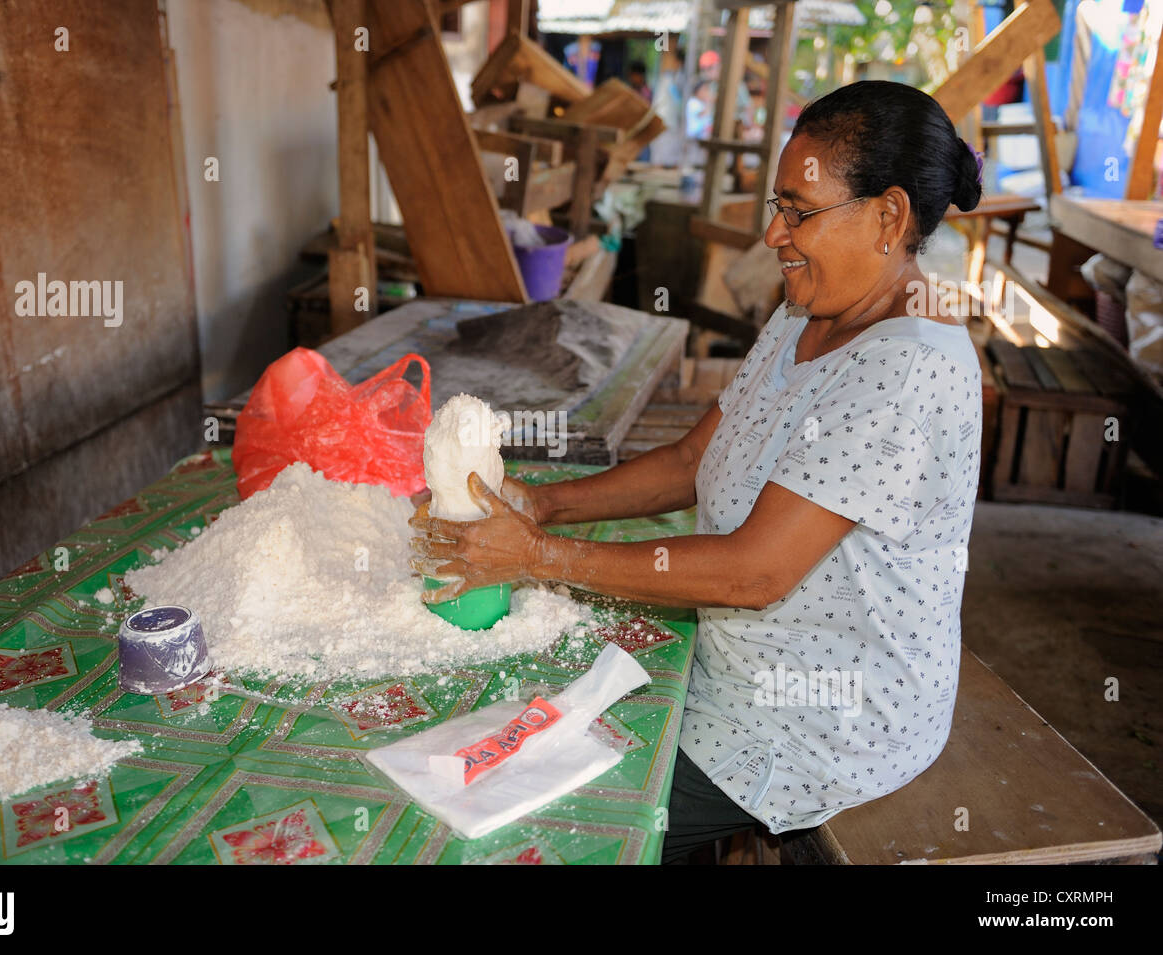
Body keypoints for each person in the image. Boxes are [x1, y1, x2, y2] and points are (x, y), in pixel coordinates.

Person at [409, 80, 985, 863]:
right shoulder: (805, 314)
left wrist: (541, 559)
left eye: (799, 211)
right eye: (778, 206)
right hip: (739, 663)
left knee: (545, 816)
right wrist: (540, 509)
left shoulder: (909, 369)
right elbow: (693, 458)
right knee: (528, 717)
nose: (777, 234)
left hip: (824, 716)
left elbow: (755, 572)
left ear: (888, 217)